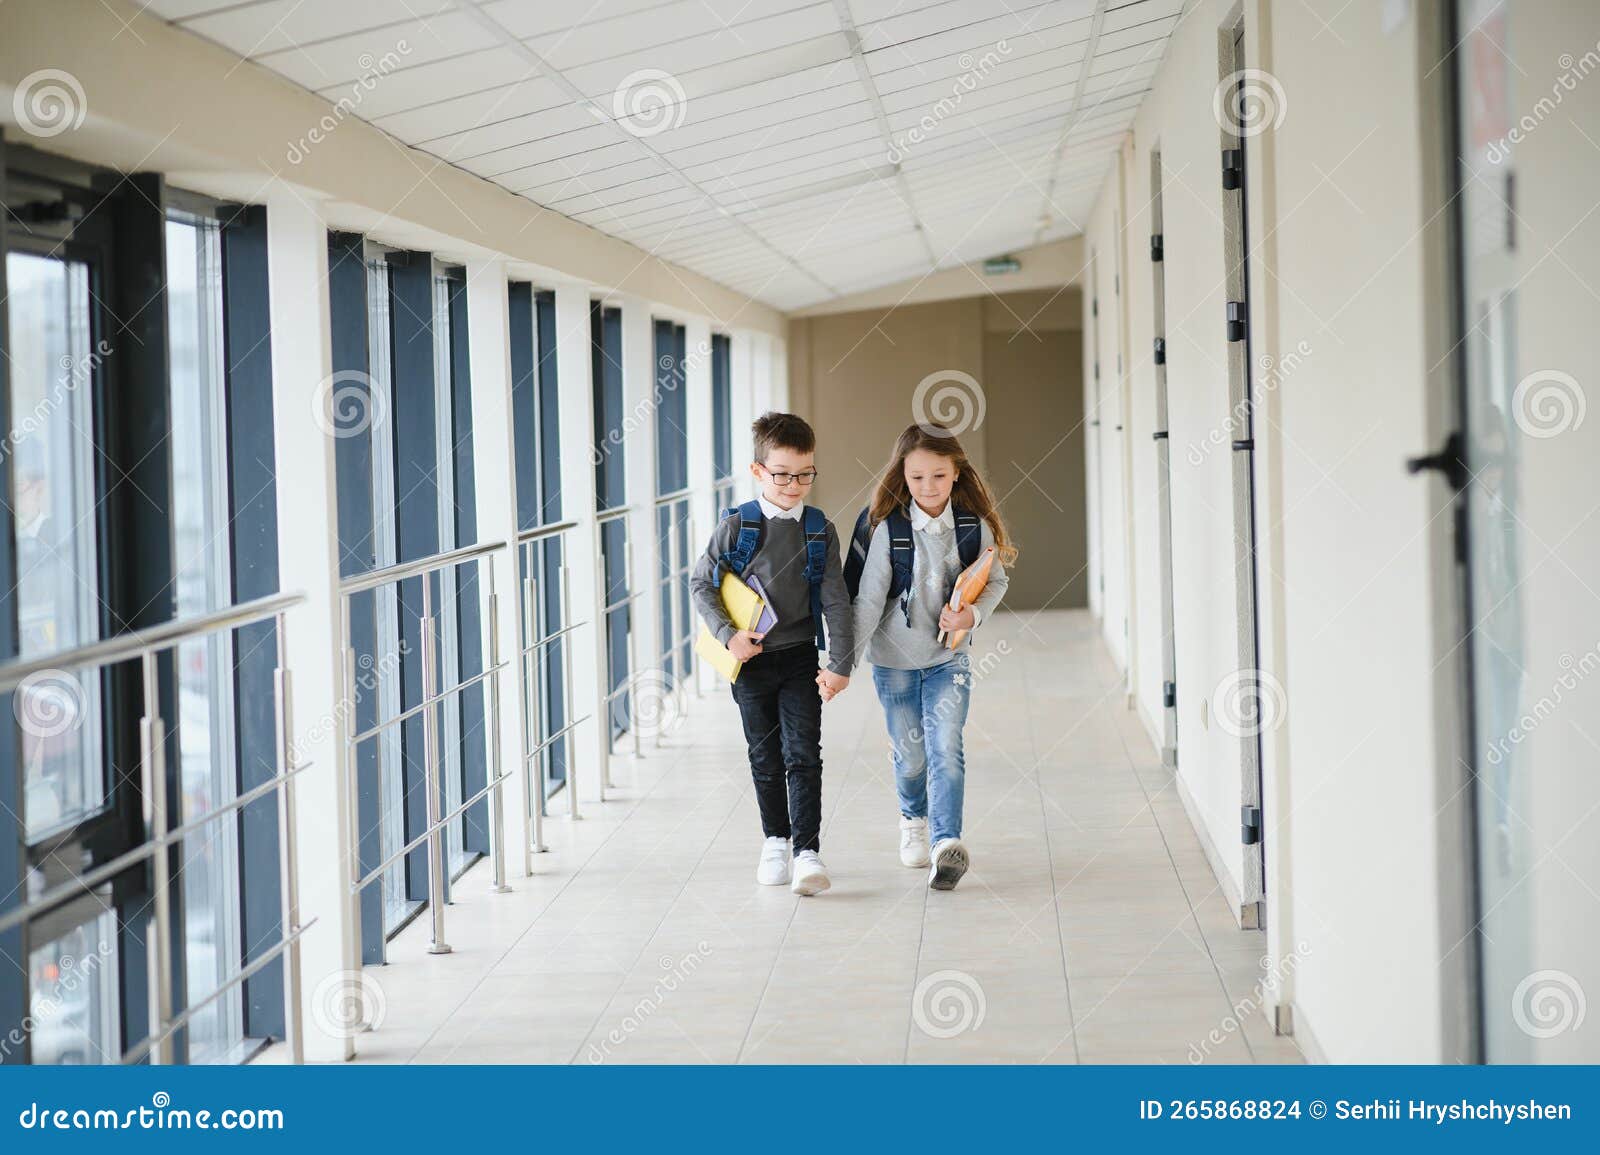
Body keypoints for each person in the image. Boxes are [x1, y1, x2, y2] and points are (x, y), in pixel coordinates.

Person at [829, 423, 1015, 890]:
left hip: (948, 659)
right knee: (911, 755)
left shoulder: (973, 526)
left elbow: (996, 580)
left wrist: (971, 615)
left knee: (946, 746)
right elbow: (869, 600)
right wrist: (841, 665)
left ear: (957, 474)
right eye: (917, 477)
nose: (928, 486)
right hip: (893, 661)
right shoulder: (889, 528)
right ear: (902, 476)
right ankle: (914, 819)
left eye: (938, 476)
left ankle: (945, 842)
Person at [690, 412, 853, 896]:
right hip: (751, 662)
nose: (793, 485)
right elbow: (701, 582)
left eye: (804, 474)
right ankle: (775, 841)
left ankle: (807, 852)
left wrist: (840, 664)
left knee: (804, 754)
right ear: (758, 471)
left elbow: (836, 600)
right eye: (782, 474)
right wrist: (728, 636)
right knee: (764, 754)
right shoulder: (737, 526)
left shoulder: (819, 530)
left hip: (801, 657)